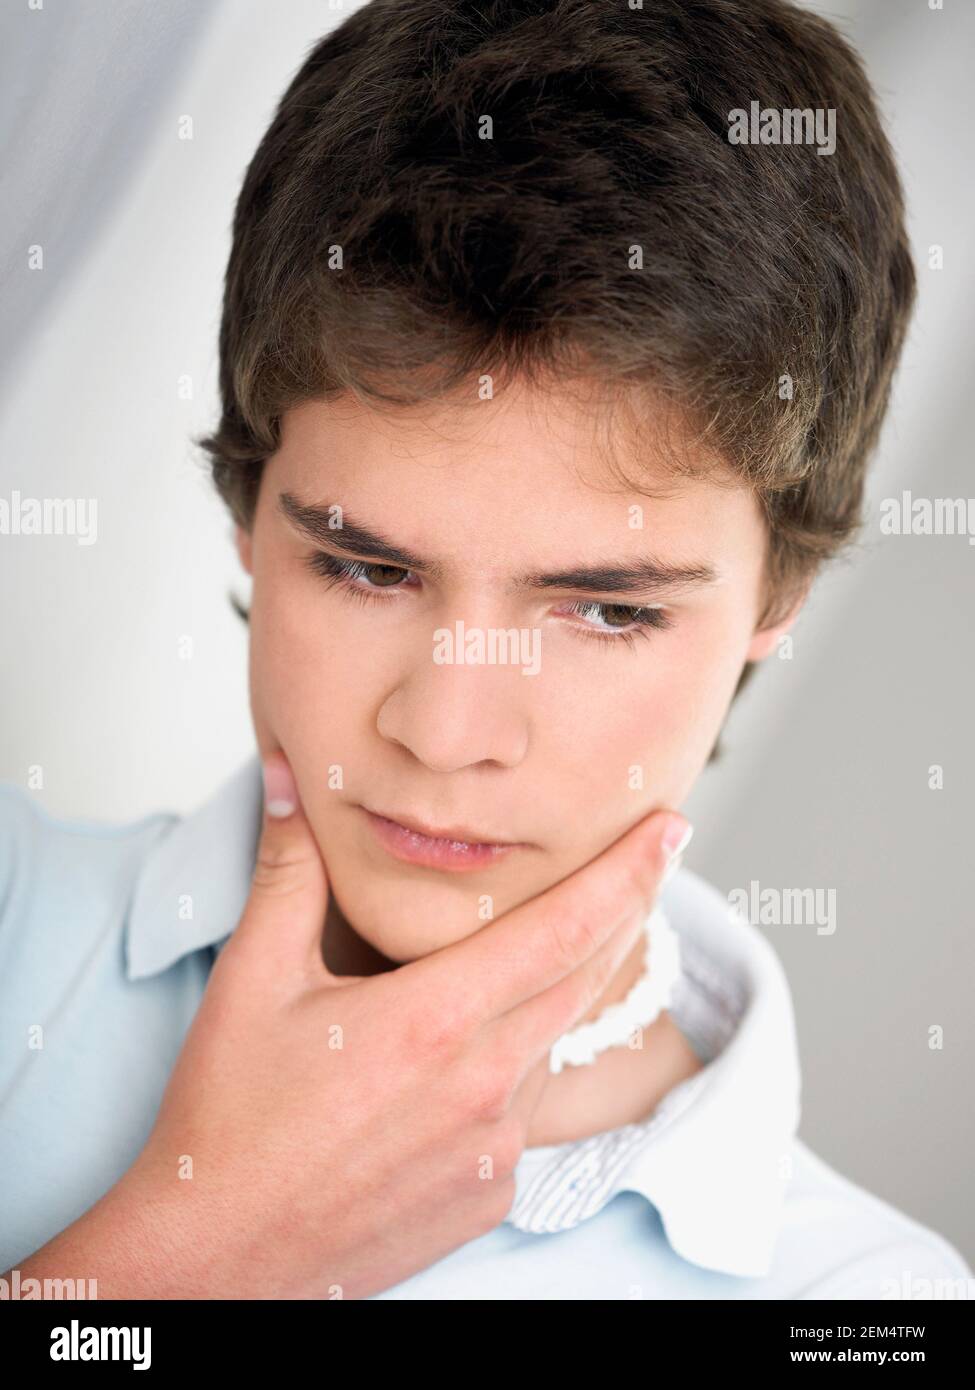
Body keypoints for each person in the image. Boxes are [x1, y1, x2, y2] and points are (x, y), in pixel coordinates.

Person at [1, 0, 970, 1299]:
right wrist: (197, 1257)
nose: (446, 730)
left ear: (777, 595)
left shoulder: (864, 1298)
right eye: (363, 567)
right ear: (247, 512)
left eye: (608, 608)